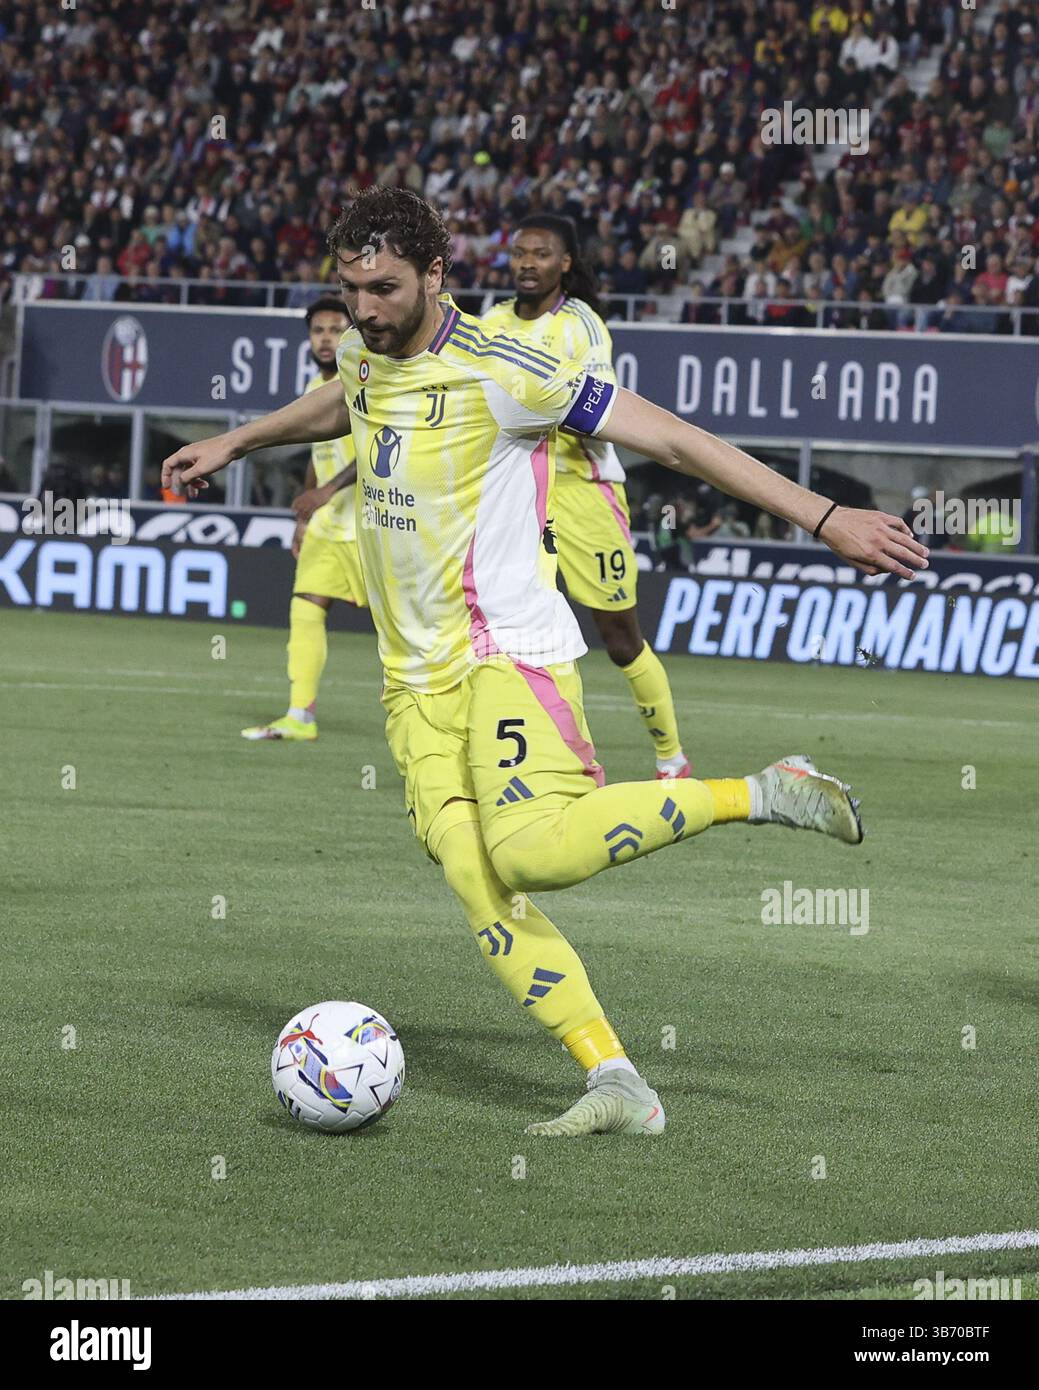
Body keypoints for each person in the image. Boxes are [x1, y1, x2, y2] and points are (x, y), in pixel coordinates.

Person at [162, 188, 928, 1139]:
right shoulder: (364, 348)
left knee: (531, 851)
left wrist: (822, 517)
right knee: (474, 876)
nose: (363, 310)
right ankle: (617, 1082)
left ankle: (763, 791)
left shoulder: (508, 370)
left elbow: (675, 440)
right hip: (411, 678)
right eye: (350, 288)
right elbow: (345, 399)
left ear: (436, 275)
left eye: (386, 289)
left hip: (506, 653)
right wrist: (237, 439)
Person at [481, 214, 692, 780]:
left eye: (541, 254)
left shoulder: (582, 326)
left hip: (581, 491)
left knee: (621, 638)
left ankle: (671, 757)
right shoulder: (491, 322)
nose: (527, 262)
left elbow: (596, 418)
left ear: (565, 263)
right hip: (515, 493)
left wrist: (525, 405)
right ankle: (527, 753)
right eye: (520, 251)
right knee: (504, 628)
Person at [241, 297, 366, 741]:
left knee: (410, 628)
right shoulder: (318, 385)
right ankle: (300, 716)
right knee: (306, 608)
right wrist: (304, 516)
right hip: (331, 528)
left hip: (377, 526)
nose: (327, 338)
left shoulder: (368, 379)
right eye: (318, 331)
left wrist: (326, 492)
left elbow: (376, 452)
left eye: (336, 329)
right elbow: (321, 452)